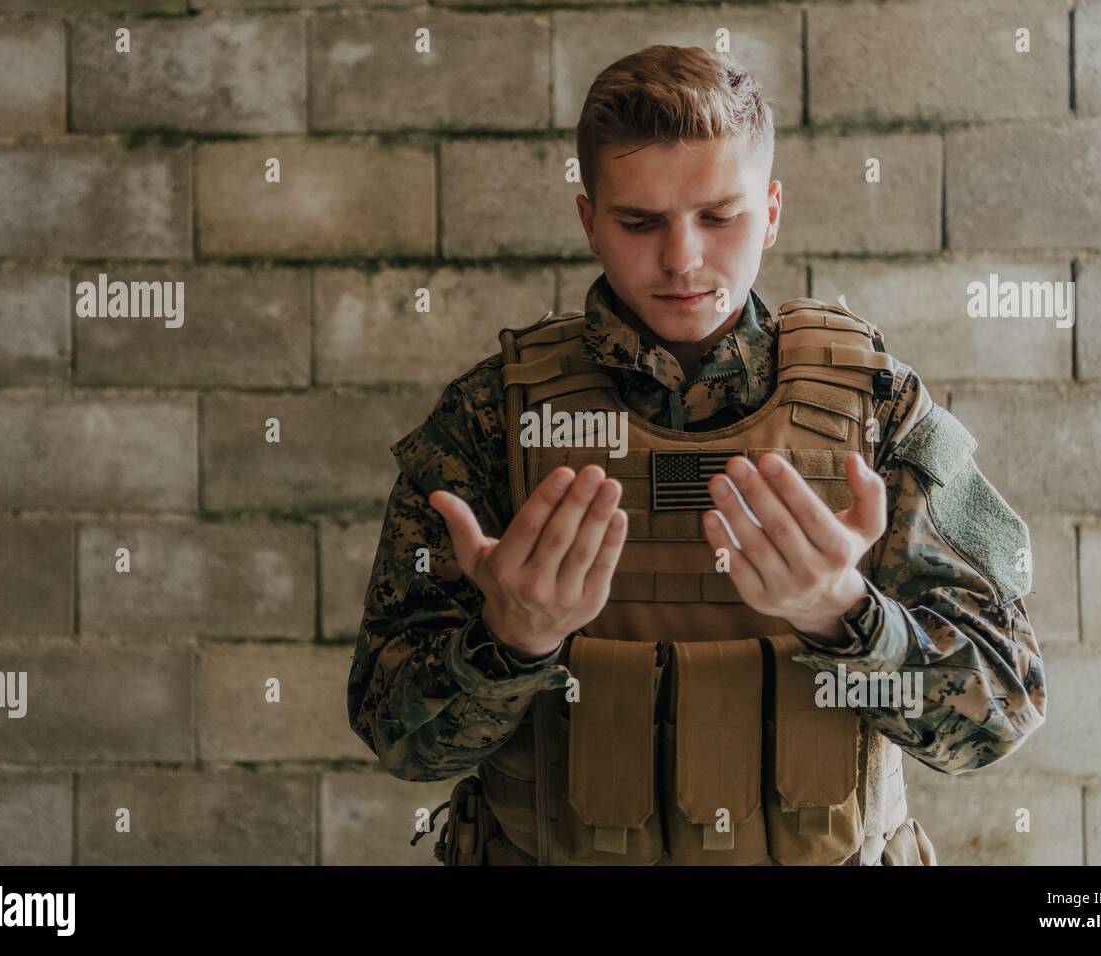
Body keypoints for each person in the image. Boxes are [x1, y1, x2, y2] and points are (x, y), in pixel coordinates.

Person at [347, 44, 1045, 866]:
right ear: (589, 222)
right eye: (640, 222)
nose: (682, 259)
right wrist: (510, 639)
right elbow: (401, 742)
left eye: (720, 216)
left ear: (773, 211)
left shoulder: (877, 409)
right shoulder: (493, 419)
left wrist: (848, 617)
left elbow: (999, 715)